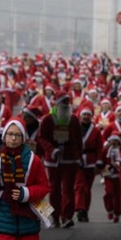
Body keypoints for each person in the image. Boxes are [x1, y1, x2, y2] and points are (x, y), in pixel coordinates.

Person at [36, 94, 82, 228]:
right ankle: (55, 217)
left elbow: (79, 139)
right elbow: (41, 137)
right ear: (56, 103)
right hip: (53, 158)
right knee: (54, 188)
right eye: (63, 102)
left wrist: (79, 156)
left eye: (67, 102)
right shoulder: (48, 119)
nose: (66, 105)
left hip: (70, 158)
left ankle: (67, 216)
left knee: (68, 188)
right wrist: (51, 150)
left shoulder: (73, 119)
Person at [74, 107, 103, 223]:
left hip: (91, 161)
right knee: (80, 186)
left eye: (88, 115)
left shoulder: (95, 131)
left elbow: (100, 147)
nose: (86, 117)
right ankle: (80, 208)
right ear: (80, 116)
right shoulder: (75, 129)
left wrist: (99, 161)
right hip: (78, 160)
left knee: (87, 188)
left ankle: (85, 210)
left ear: (91, 117)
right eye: (84, 115)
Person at [96, 132, 121, 223]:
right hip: (108, 174)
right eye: (112, 141)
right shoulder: (106, 150)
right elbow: (101, 160)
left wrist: (117, 164)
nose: (113, 143)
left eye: (115, 141)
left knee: (118, 195)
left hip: (119, 175)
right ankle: (110, 210)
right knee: (109, 193)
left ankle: (117, 213)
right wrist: (99, 169)